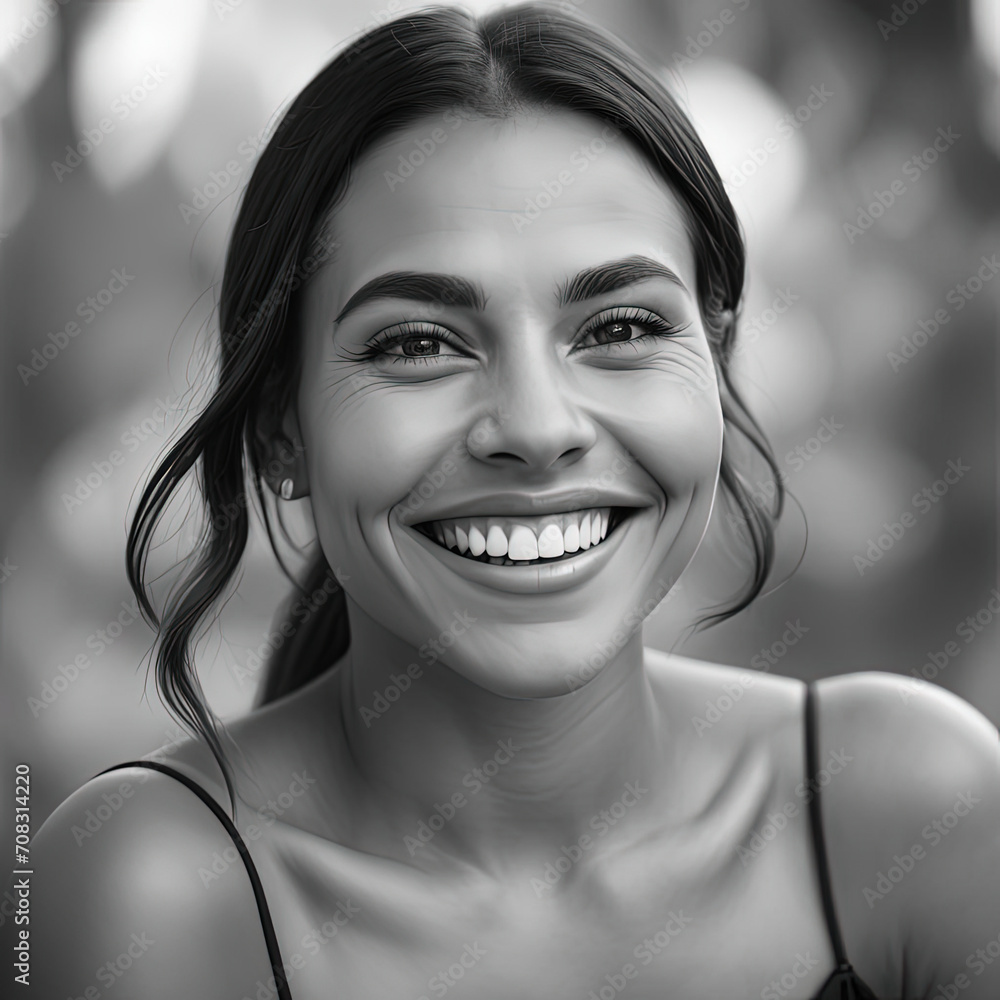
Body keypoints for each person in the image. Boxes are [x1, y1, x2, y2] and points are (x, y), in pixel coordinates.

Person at [29, 4, 999, 998]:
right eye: (417, 343)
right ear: (281, 428)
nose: (536, 427)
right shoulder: (148, 889)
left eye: (619, 324)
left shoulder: (911, 807)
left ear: (714, 363)